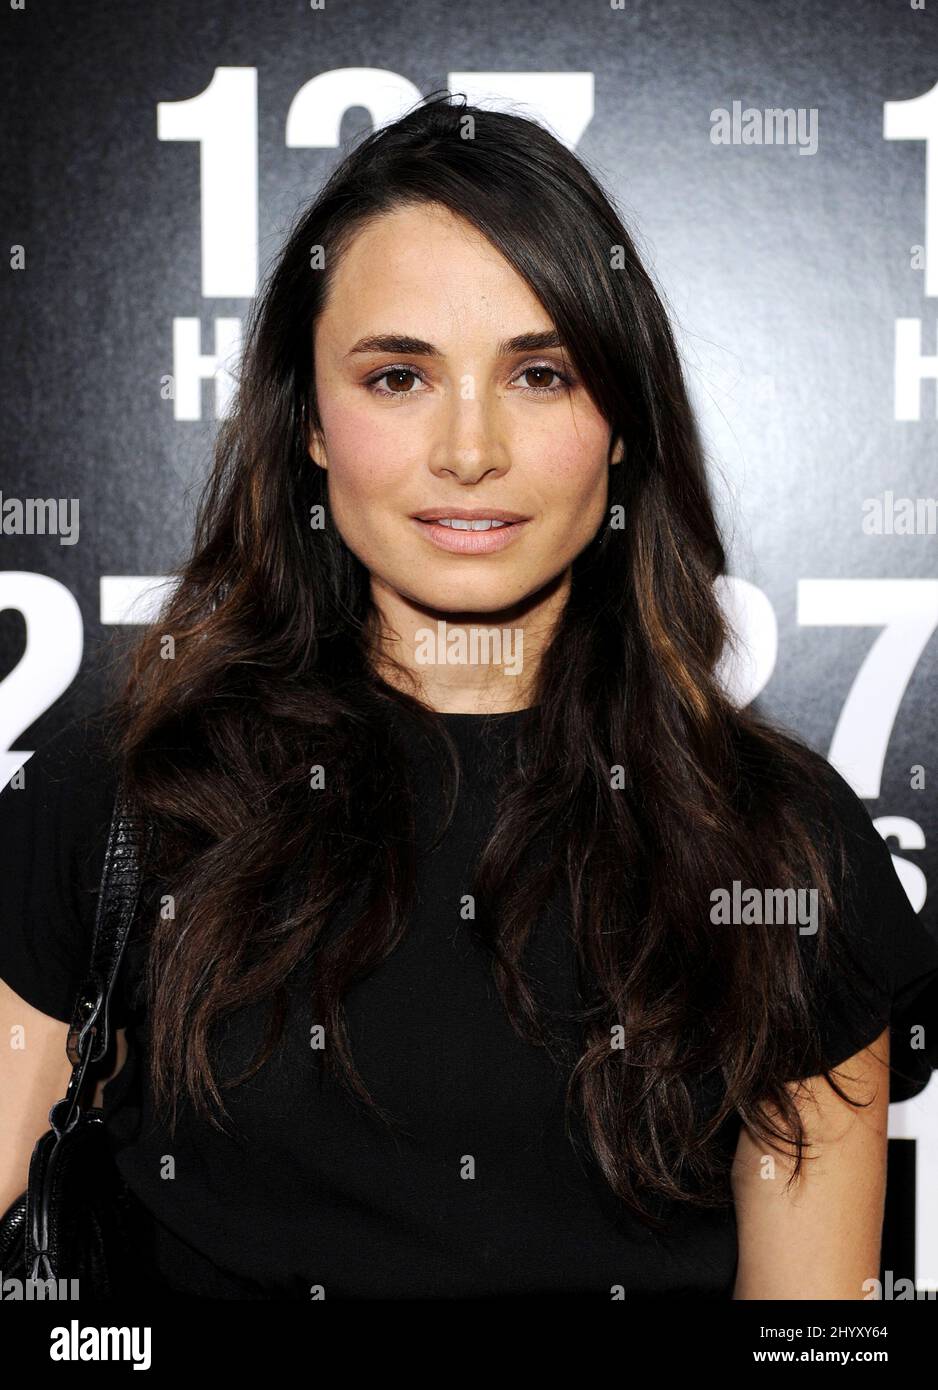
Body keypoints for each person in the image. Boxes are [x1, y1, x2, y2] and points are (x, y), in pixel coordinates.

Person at [2, 91, 937, 1301]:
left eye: (540, 372)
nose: (468, 449)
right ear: (310, 426)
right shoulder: (133, 785)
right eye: (397, 376)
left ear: (619, 423)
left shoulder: (775, 843)